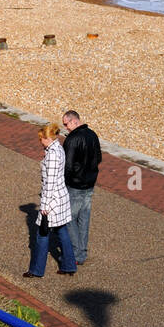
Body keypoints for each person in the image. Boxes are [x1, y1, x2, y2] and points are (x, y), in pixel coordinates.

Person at [24, 123, 77, 278]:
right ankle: (69, 265)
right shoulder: (57, 148)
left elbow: (50, 183)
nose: (40, 141)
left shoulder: (52, 154)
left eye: (41, 139)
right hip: (60, 199)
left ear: (48, 138)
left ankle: (36, 270)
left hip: (53, 201)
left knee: (42, 235)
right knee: (62, 232)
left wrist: (44, 206)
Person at [62, 110, 101, 266]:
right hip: (89, 183)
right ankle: (82, 252)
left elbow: (68, 166)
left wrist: (64, 183)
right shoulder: (92, 135)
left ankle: (76, 253)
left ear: (74, 121)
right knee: (84, 219)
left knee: (69, 218)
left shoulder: (72, 139)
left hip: (75, 185)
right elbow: (99, 158)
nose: (65, 127)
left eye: (66, 124)